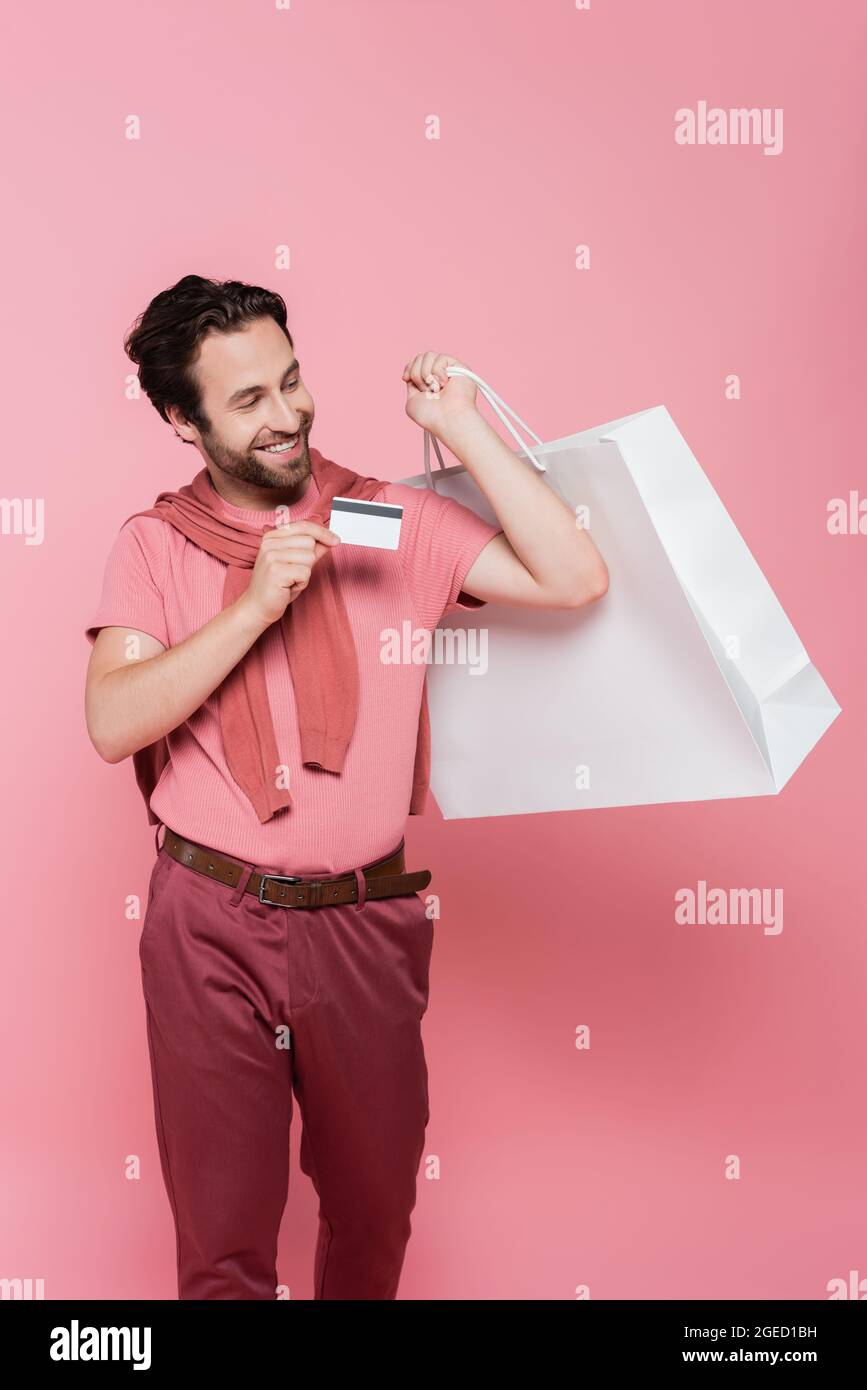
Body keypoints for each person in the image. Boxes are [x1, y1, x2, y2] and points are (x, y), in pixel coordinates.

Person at [83, 274, 609, 1300]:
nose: (285, 416)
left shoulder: (370, 524)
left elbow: (572, 577)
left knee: (372, 1216)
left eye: (290, 381)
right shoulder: (154, 546)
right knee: (225, 1236)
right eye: (247, 401)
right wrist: (251, 611)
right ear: (183, 420)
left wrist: (461, 427)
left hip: (363, 919)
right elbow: (113, 721)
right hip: (208, 920)